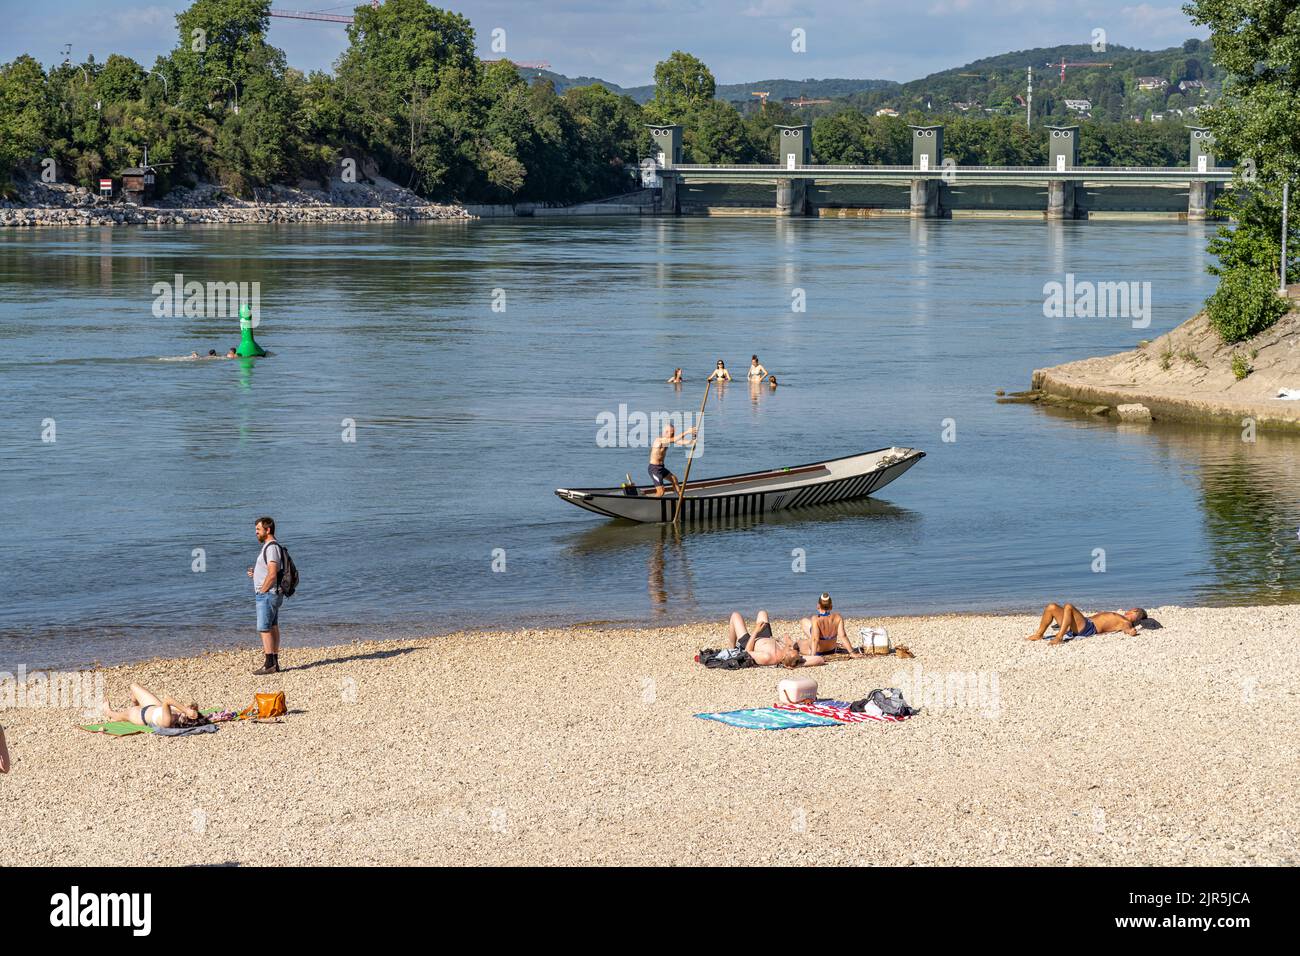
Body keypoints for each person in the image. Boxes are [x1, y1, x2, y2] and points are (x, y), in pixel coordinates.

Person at [248, 516, 285, 674]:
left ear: (267, 530)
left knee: (264, 628)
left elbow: (272, 574)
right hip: (272, 593)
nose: (256, 532)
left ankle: (269, 663)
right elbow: (269, 572)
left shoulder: (271, 547)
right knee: (273, 626)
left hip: (268, 594)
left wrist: (262, 590)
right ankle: (274, 664)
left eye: (258, 529)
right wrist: (256, 573)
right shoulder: (271, 547)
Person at [722, 610, 824, 667]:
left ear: (785, 658)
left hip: (750, 642)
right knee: (762, 613)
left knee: (735, 615)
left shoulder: (768, 657)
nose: (792, 649)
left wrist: (756, 631)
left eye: (790, 651)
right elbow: (819, 659)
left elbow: (747, 652)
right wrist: (799, 663)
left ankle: (732, 648)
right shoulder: (790, 654)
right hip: (766, 637)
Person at [1026, 604, 1147, 644]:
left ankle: (1059, 637)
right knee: (1051, 607)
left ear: (1134, 611)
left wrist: (1132, 631)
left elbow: (1129, 630)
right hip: (1082, 622)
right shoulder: (1120, 617)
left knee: (1068, 606)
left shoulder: (1124, 621)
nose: (1129, 609)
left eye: (1132, 609)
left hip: (1088, 627)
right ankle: (1039, 634)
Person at [101, 685, 203, 730]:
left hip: (138, 715)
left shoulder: (167, 721)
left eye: (187, 714)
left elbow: (167, 700)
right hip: (154, 706)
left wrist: (185, 710)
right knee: (133, 686)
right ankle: (136, 703)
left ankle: (108, 711)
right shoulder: (179, 713)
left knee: (114, 716)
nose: (186, 711)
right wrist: (189, 710)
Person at [800, 592, 862, 657]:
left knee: (800, 642)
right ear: (831, 606)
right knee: (805, 621)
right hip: (831, 649)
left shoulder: (815, 619)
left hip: (818, 651)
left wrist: (813, 656)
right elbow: (843, 636)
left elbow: (815, 639)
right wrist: (852, 653)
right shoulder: (838, 617)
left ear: (818, 606)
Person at [646, 423, 699, 498]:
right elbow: (675, 439)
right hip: (654, 469)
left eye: (674, 433)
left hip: (661, 468)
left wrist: (691, 442)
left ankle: (681, 497)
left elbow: (680, 441)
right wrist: (687, 432)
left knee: (674, 479)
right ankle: (650, 504)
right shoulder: (659, 440)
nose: (673, 434)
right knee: (661, 492)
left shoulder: (668, 440)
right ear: (666, 432)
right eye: (672, 433)